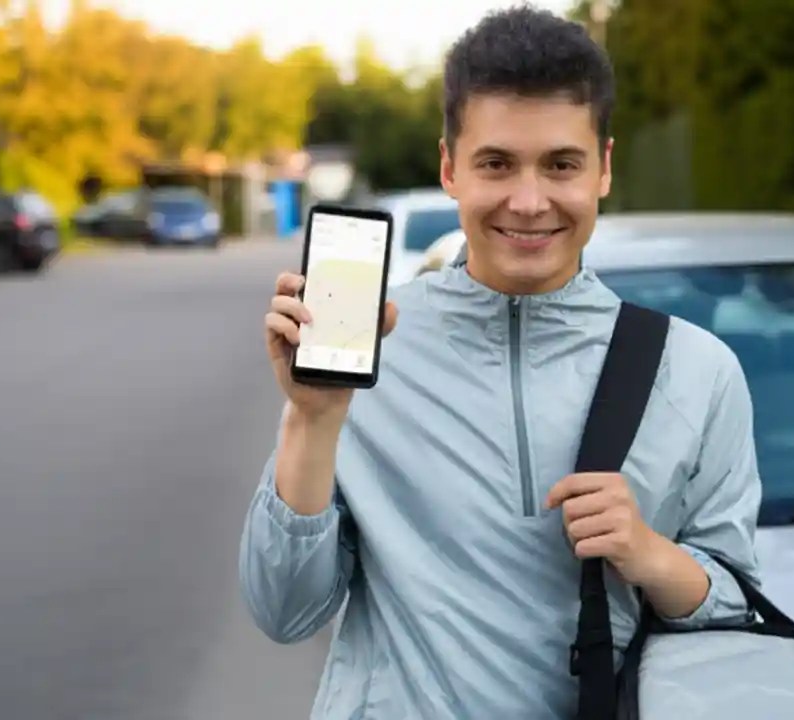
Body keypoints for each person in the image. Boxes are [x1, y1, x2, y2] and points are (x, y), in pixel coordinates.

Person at [239, 6, 762, 718]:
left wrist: (649, 554)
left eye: (560, 165)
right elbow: (284, 611)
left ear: (603, 168)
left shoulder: (697, 370)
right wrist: (311, 421)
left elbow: (739, 605)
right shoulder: (368, 347)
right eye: (496, 164)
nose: (528, 200)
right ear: (451, 169)